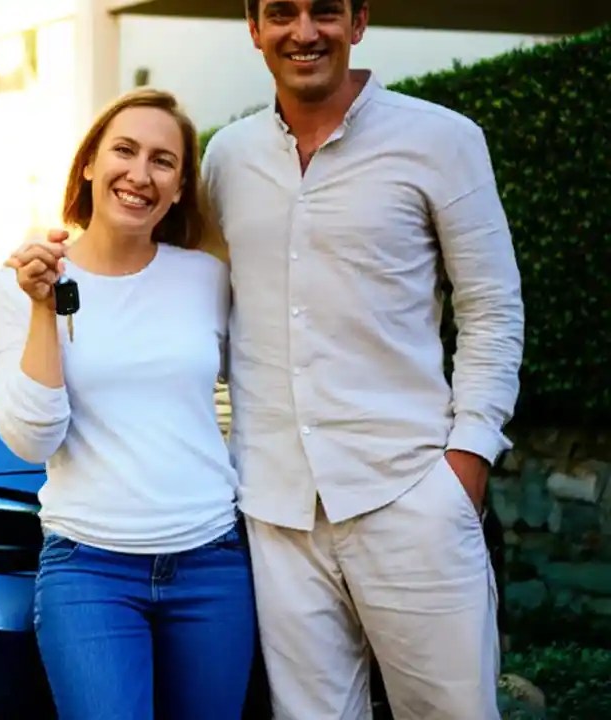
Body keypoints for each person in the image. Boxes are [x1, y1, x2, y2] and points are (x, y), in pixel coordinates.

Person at [200, 1, 525, 718]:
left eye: (325, 10)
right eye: (281, 13)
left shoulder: (443, 140)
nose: (304, 31)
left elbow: (492, 305)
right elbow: (202, 313)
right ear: (254, 29)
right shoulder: (226, 157)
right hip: (277, 507)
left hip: (409, 492)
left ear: (359, 20)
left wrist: (468, 456)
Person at [0, 88, 254, 719]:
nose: (140, 174)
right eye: (125, 151)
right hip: (90, 571)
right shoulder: (20, 282)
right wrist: (43, 308)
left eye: (163, 161)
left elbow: (266, 393)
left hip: (211, 565)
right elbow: (33, 439)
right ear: (88, 164)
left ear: (182, 186)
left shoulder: (208, 279)